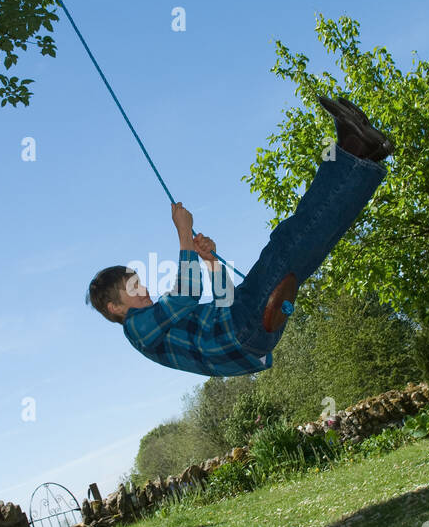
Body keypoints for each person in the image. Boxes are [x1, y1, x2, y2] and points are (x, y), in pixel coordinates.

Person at [85, 96, 393, 376]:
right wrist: (182, 234)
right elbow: (187, 294)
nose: (144, 287)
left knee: (307, 249)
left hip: (243, 330)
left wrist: (210, 263)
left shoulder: (161, 323)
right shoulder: (137, 328)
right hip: (240, 331)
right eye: (133, 286)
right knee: (288, 243)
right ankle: (353, 151)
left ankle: (365, 158)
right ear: (115, 307)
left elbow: (225, 301)